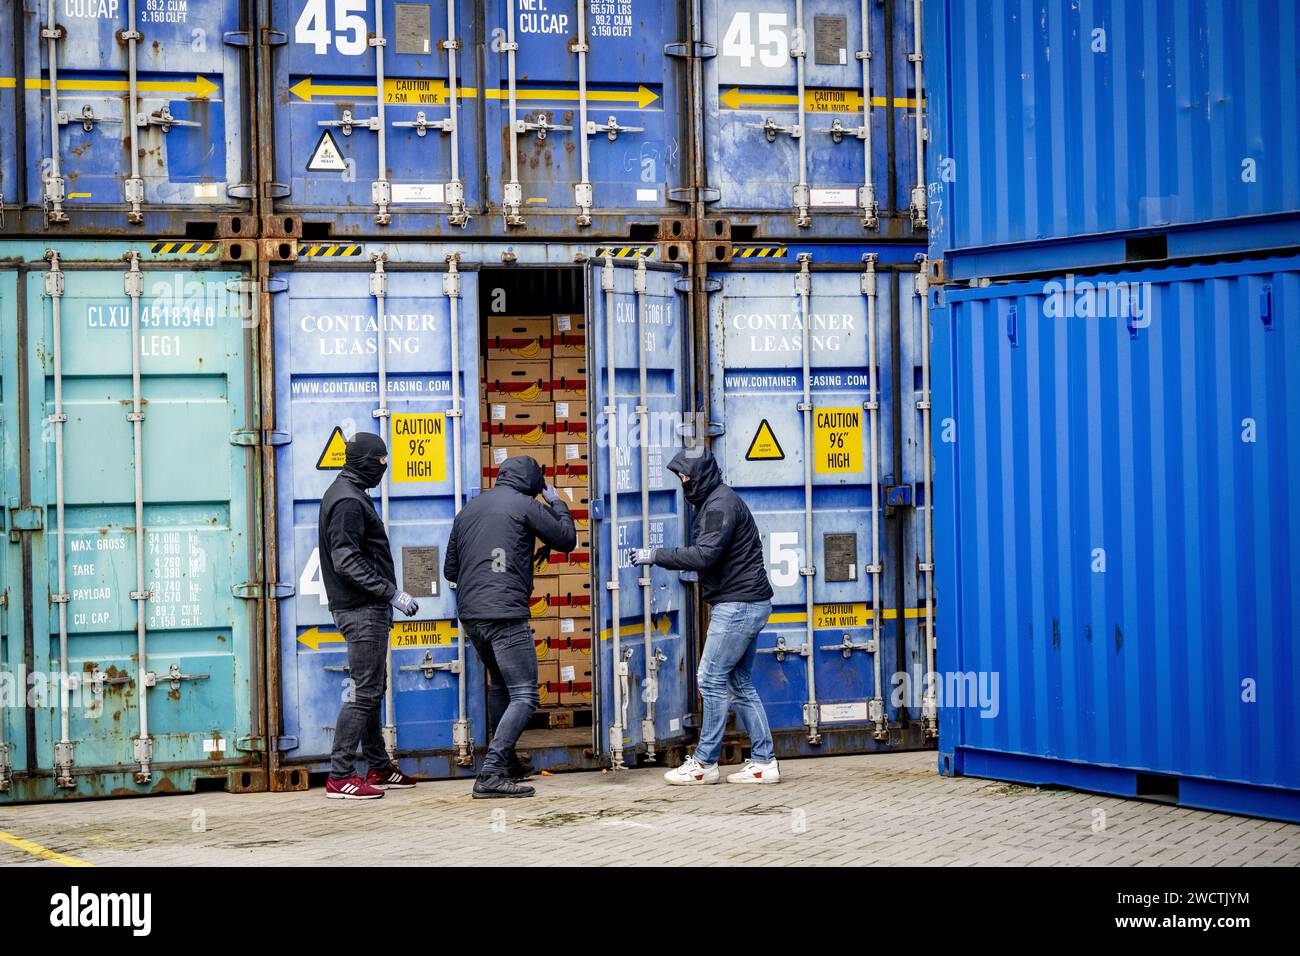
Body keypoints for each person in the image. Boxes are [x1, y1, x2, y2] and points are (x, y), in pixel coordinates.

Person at [630, 447, 779, 785]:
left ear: (702, 475)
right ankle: (763, 761)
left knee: (709, 678)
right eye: (680, 477)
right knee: (739, 683)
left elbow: (703, 556)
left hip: (738, 605)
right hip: (749, 601)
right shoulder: (717, 500)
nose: (683, 482)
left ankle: (704, 763)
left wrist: (655, 555)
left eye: (686, 476)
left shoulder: (718, 506)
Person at [444, 455, 576, 798]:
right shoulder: (526, 505)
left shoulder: (468, 511)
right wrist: (557, 501)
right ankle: (490, 773)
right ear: (534, 481)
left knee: (501, 684)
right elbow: (566, 539)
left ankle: (507, 764)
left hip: (472, 616)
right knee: (526, 694)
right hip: (504, 614)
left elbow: (450, 571)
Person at [317, 432, 422, 800]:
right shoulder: (347, 501)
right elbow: (345, 561)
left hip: (365, 608)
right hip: (361, 610)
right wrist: (391, 593)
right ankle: (340, 775)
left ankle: (377, 766)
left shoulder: (349, 493)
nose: (384, 467)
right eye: (380, 461)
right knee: (364, 691)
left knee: (373, 689)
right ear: (365, 462)